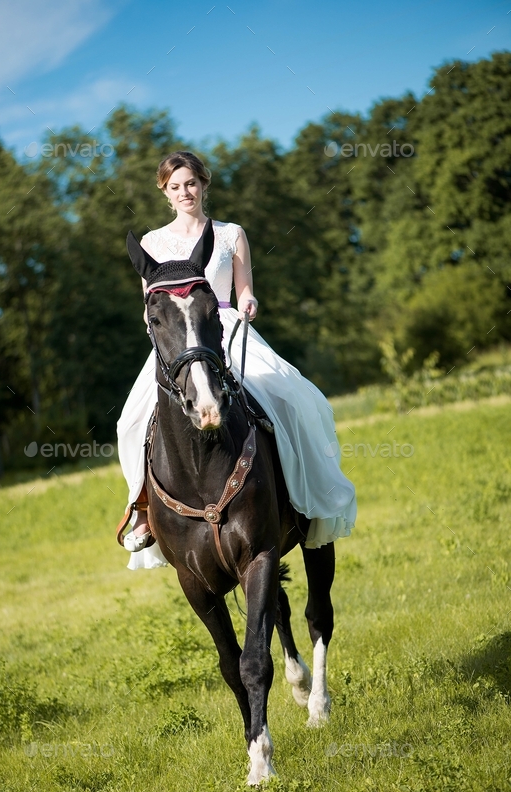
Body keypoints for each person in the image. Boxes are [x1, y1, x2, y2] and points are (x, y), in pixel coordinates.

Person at [117, 150, 356, 570]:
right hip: (177, 339)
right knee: (130, 420)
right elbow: (149, 303)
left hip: (224, 325)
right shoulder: (152, 243)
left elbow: (243, 288)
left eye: (190, 183)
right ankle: (142, 510)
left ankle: (309, 495)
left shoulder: (231, 233)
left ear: (204, 184)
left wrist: (248, 301)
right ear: (165, 192)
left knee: (297, 398)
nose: (184, 192)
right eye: (175, 186)